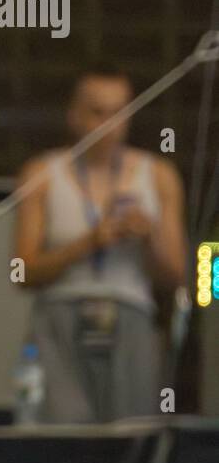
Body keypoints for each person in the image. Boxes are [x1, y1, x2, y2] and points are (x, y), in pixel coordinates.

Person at [13, 64, 187, 423]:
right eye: (96, 112)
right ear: (73, 115)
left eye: (118, 112)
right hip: (60, 321)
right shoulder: (42, 174)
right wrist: (88, 242)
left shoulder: (158, 176)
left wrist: (149, 234)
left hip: (131, 318)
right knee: (62, 440)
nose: (108, 125)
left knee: (132, 437)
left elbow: (180, 274)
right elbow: (22, 272)